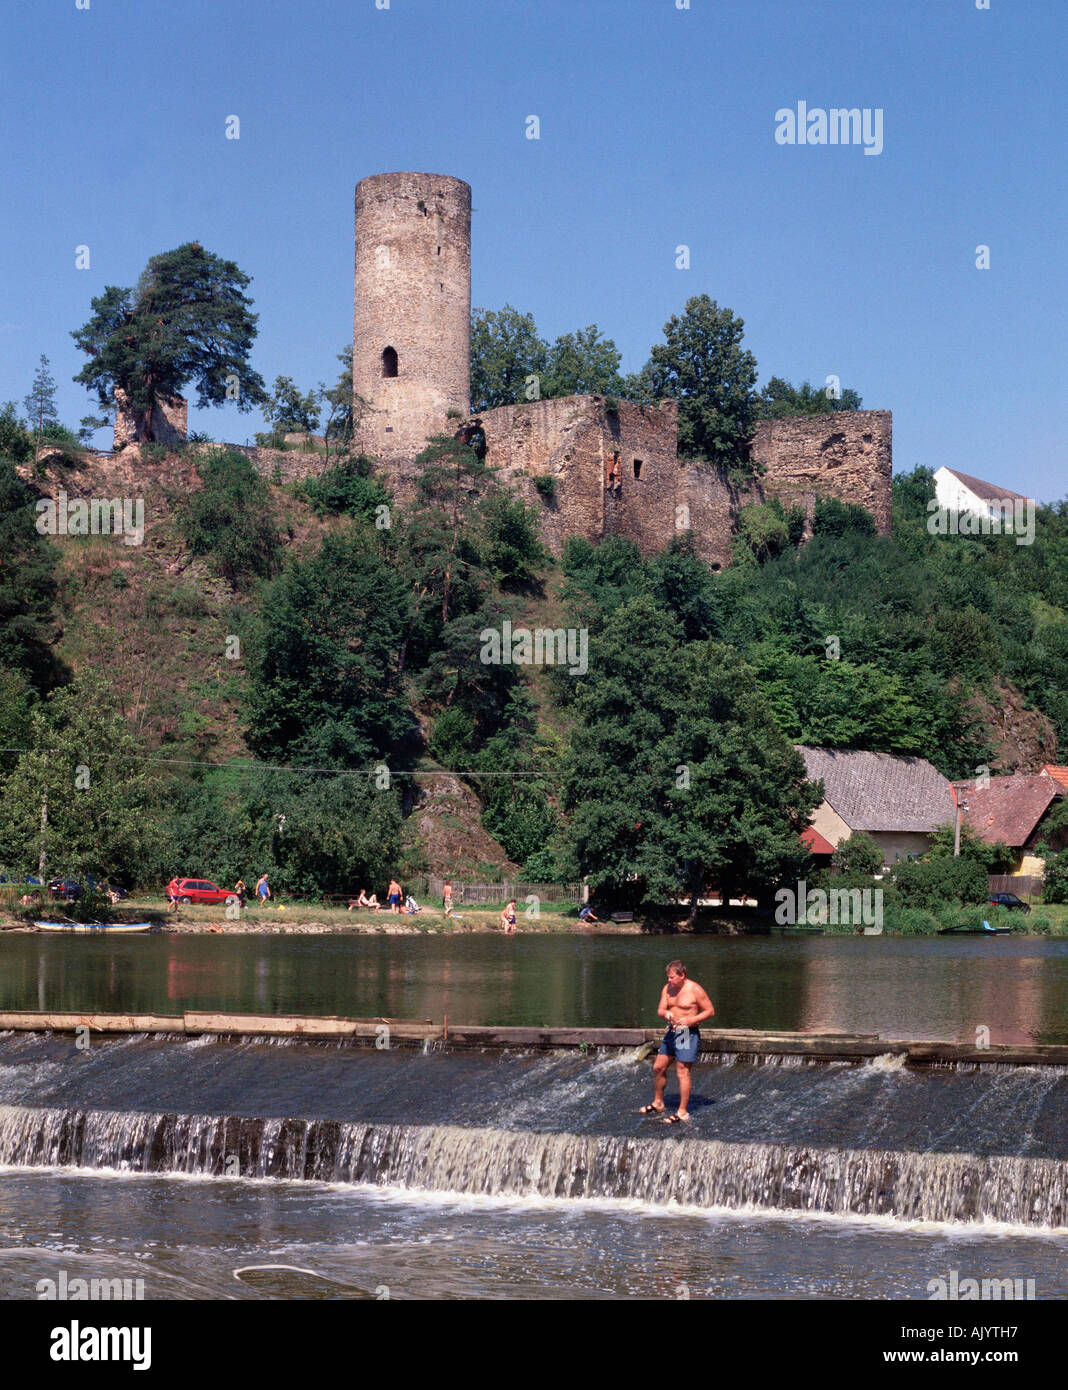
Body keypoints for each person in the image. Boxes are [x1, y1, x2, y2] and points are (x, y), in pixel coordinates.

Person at [640, 960, 715, 1125]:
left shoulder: (694, 989)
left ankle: (682, 1111)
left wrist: (691, 1020)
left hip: (686, 1033)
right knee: (658, 1067)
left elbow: (710, 1010)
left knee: (682, 1072)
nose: (669, 980)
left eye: (672, 977)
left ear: (682, 975)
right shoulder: (667, 988)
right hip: (672, 1032)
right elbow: (660, 1010)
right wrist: (665, 1013)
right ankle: (658, 1102)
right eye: (668, 977)